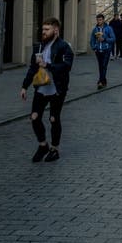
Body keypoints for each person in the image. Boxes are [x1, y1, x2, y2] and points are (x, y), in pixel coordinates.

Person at [20, 17, 73, 163]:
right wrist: (24, 86)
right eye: (43, 29)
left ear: (55, 30)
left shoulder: (64, 46)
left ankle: (54, 149)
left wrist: (48, 65)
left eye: (46, 29)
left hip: (57, 88)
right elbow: (33, 68)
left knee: (53, 118)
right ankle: (43, 145)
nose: (43, 32)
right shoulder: (39, 46)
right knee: (35, 117)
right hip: (41, 87)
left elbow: (67, 66)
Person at [90, 13, 115, 89]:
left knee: (104, 66)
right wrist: (94, 47)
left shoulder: (108, 28)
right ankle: (104, 81)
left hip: (106, 50)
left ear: (103, 20)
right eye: (97, 20)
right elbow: (92, 40)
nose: (99, 21)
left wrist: (105, 39)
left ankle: (100, 81)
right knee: (101, 66)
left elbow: (113, 38)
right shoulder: (95, 29)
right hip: (98, 50)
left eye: (100, 20)